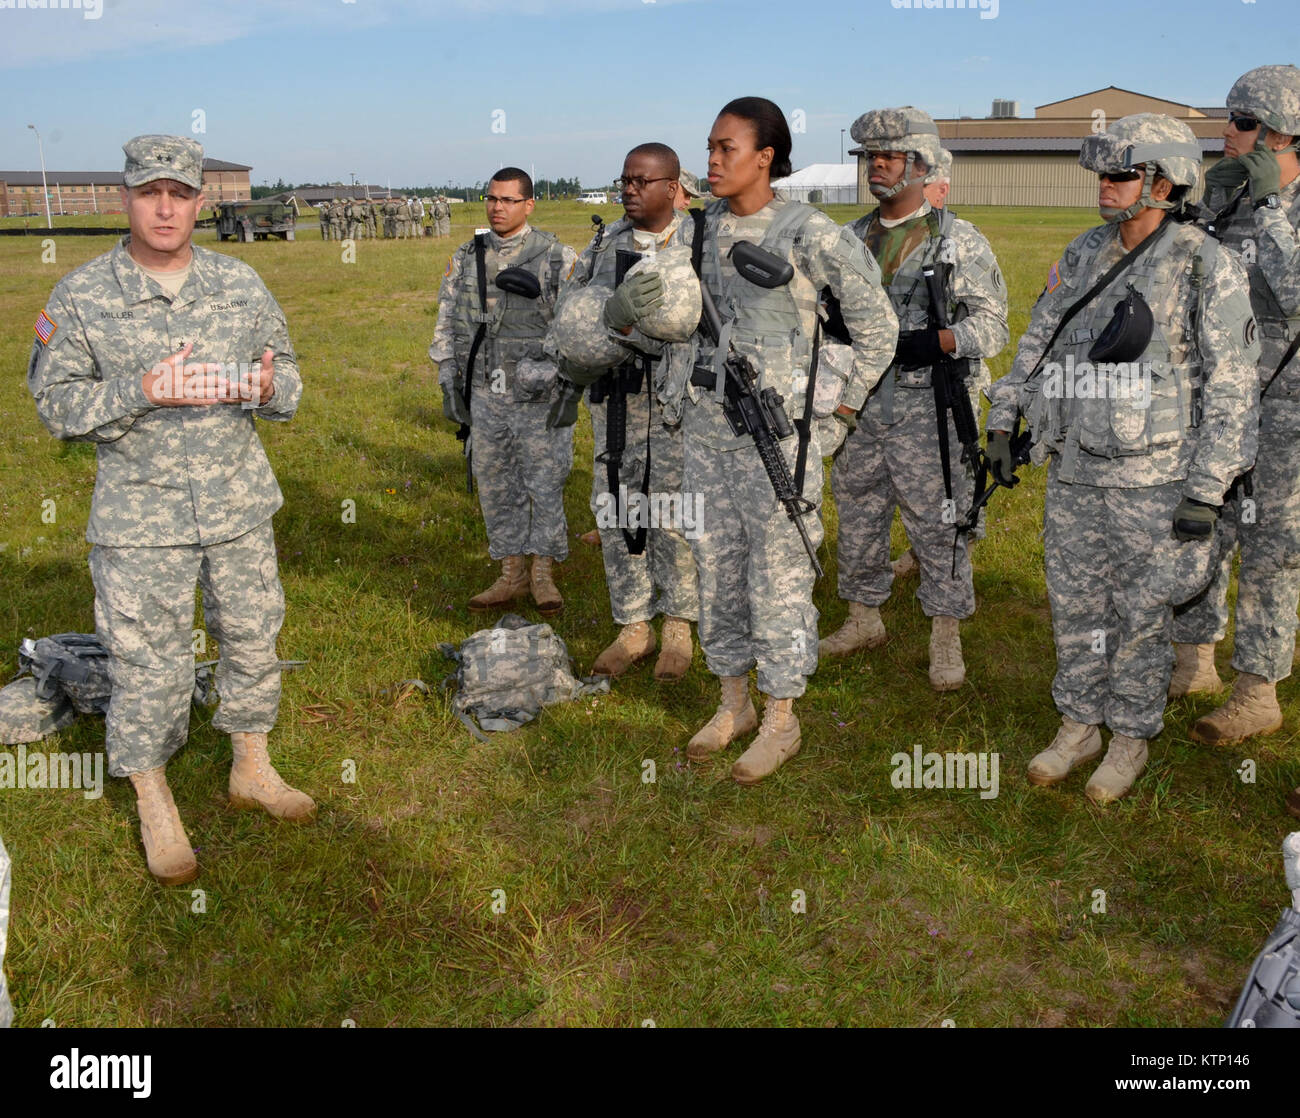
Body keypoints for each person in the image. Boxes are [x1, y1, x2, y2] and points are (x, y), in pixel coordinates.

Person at [27, 135, 313, 885]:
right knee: (148, 662)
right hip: (139, 519)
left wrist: (262, 389)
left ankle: (251, 764)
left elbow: (289, 383)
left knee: (253, 637)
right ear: (126, 197)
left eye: (179, 194)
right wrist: (141, 391)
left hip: (239, 504)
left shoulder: (240, 285)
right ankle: (153, 798)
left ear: (197, 202)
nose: (164, 207)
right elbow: (54, 407)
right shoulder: (82, 296)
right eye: (149, 192)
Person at [986, 114, 1260, 804]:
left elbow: (1233, 384)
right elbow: (1036, 344)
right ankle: (1078, 722)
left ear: (1162, 182)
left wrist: (1207, 489)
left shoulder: (1205, 263)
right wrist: (1001, 419)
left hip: (1157, 479)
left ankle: (1132, 736)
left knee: (1139, 614)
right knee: (1075, 603)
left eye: (1119, 174)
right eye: (1101, 174)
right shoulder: (1082, 254)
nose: (1104, 187)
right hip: (1077, 470)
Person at [665, 97, 897, 783]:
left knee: (780, 583)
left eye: (726, 149)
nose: (711, 161)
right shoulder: (695, 233)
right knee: (717, 571)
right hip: (707, 437)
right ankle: (732, 702)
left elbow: (877, 328)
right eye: (707, 147)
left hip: (777, 445)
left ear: (765, 156)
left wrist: (835, 417)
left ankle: (782, 719)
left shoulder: (809, 234)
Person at [821, 109, 1007, 691]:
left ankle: (945, 634)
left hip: (930, 410)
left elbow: (994, 326)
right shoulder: (847, 240)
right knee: (858, 514)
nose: (876, 166)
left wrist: (938, 341)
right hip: (861, 406)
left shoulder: (957, 240)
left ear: (922, 165)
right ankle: (862, 619)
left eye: (890, 156)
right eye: (869, 157)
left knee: (940, 522)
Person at [1170, 69, 1300, 778]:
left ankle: (1258, 689)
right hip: (1218, 401)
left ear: (1282, 136)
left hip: (1287, 412)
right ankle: (1193, 659)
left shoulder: (1283, 207)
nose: (1227, 134)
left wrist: (1273, 204)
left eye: (1242, 124)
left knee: (1274, 548)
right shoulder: (1226, 202)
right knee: (1205, 526)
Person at [548, 143, 701, 681]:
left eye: (642, 181)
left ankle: (680, 626)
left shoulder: (699, 240)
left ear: (671, 187)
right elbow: (573, 310)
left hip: (676, 405)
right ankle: (633, 625)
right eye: (625, 181)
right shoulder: (605, 241)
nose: (630, 190)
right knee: (615, 509)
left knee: (675, 514)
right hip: (615, 399)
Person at [429, 167, 578, 614]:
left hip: (537, 394)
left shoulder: (555, 256)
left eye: (509, 200)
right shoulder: (468, 254)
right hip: (484, 391)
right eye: (492, 199)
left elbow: (574, 329)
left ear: (529, 205)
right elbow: (447, 316)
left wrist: (563, 385)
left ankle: (543, 572)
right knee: (495, 483)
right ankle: (510, 571)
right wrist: (447, 378)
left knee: (544, 482)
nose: (498, 207)